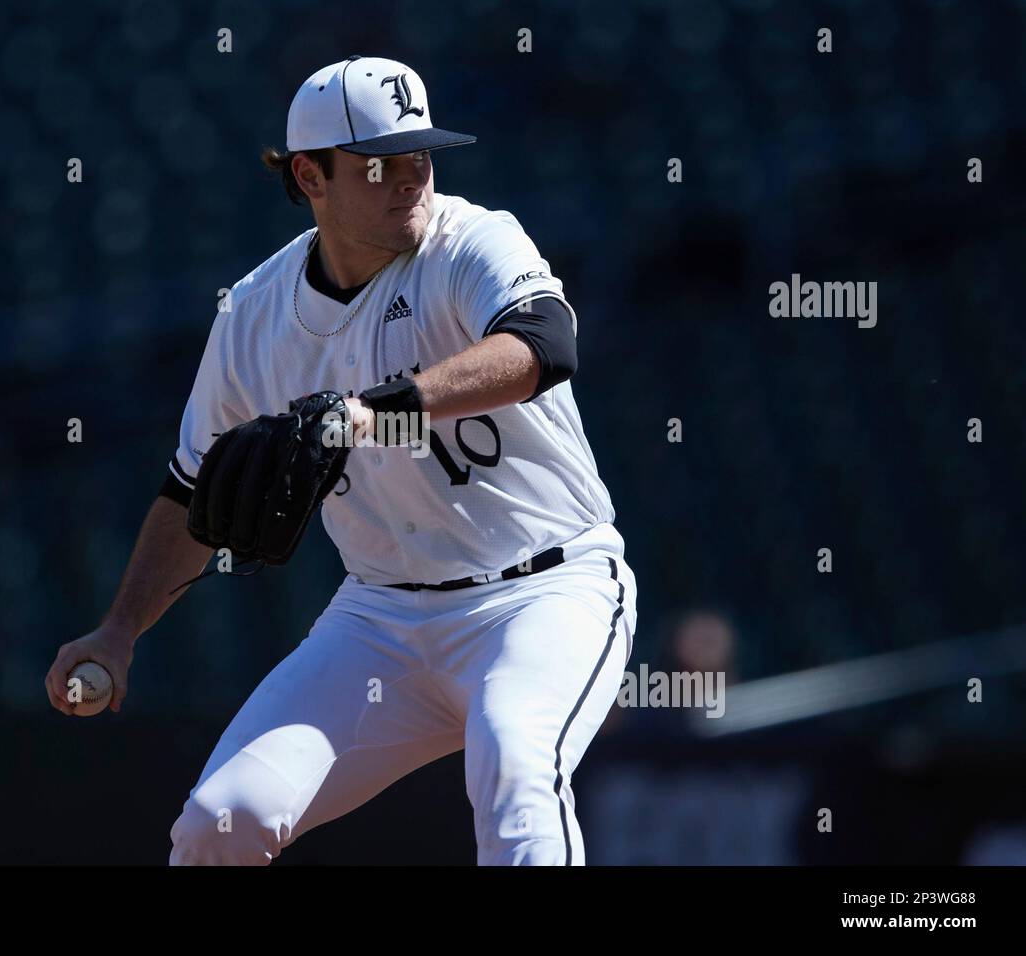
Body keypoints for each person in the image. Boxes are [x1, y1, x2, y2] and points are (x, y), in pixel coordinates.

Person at [45, 56, 638, 865]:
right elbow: (192, 492)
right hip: (384, 620)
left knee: (517, 768)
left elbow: (544, 345)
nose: (409, 179)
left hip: (544, 592)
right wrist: (118, 632)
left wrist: (370, 412)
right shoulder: (255, 314)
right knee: (225, 818)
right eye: (378, 164)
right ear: (308, 176)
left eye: (420, 155)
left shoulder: (471, 243)